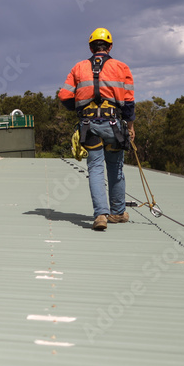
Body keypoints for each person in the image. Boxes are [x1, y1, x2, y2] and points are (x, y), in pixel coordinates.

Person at [58, 28, 135, 231]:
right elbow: (129, 101)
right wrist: (130, 126)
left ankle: (100, 215)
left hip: (89, 126)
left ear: (91, 48)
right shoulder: (121, 67)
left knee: (95, 169)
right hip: (113, 126)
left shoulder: (79, 67)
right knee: (115, 168)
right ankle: (117, 213)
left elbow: (64, 96)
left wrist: (79, 108)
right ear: (110, 47)